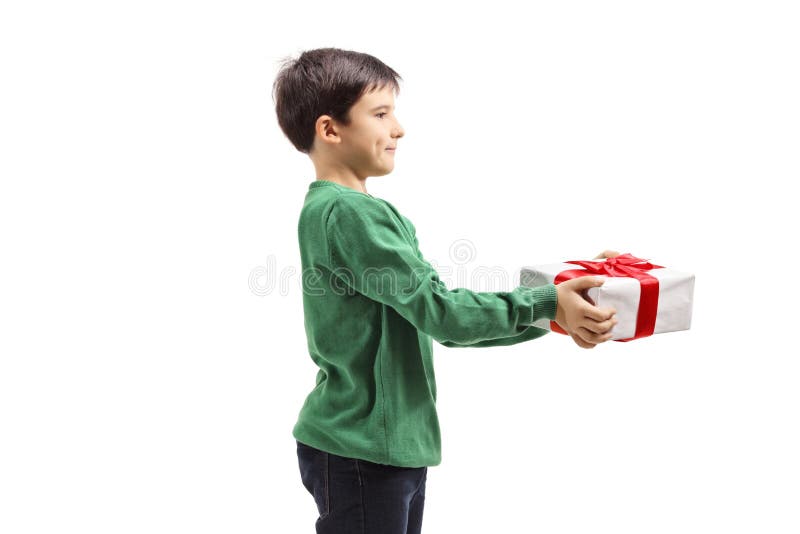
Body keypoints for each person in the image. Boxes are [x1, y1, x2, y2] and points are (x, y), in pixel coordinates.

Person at [272, 47, 618, 534]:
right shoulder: (351, 214)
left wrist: (556, 312)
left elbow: (439, 318)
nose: (399, 128)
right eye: (380, 113)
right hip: (362, 451)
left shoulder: (343, 211)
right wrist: (546, 304)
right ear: (330, 129)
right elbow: (444, 314)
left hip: (379, 448)